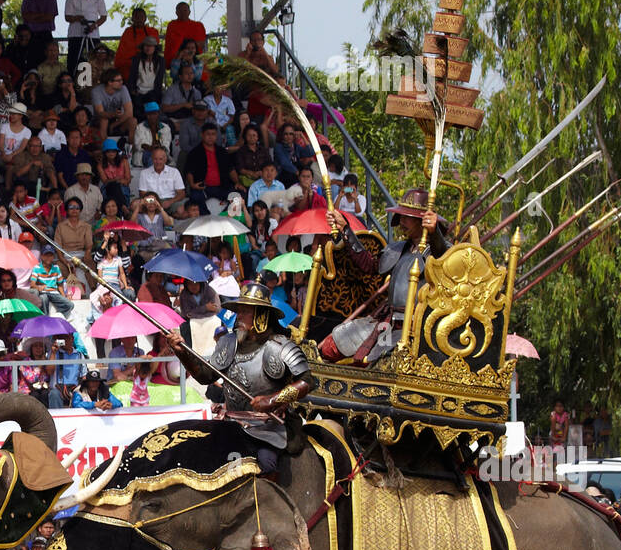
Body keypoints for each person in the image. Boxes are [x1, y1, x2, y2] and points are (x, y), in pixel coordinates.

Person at [162, 281, 312, 473]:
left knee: (267, 464)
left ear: (261, 316)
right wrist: (182, 352)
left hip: (268, 427)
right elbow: (204, 376)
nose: (238, 316)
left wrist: (273, 400)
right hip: (231, 424)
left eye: (244, 312)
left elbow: (307, 381)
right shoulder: (227, 343)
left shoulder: (281, 347)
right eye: (238, 311)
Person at [320, 187, 449, 364]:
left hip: (415, 326)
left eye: (407, 218)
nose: (402, 221)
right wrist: (345, 228)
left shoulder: (441, 252)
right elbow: (369, 265)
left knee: (375, 363)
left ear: (421, 221)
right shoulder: (399, 248)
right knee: (330, 347)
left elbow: (443, 257)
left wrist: (434, 233)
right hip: (388, 321)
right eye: (401, 216)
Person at [64, 0, 107, 76]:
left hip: (93, 33)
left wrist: (94, 25)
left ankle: (96, 80)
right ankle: (73, 81)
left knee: (95, 59)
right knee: (74, 60)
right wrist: (77, 18)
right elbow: (67, 17)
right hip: (76, 33)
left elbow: (103, 16)